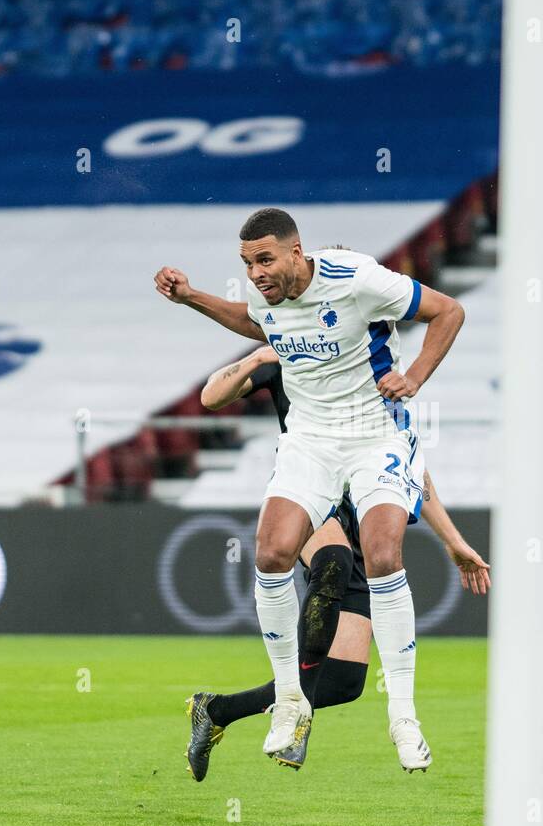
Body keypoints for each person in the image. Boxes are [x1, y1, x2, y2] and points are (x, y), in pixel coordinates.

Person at [154, 208, 465, 771]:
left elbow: (449, 310)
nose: (255, 273)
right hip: (311, 442)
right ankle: (289, 703)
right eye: (247, 263)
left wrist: (415, 375)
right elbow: (254, 324)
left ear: (299, 251)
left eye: (265, 259)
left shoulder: (357, 280)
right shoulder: (269, 306)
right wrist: (192, 297)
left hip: (374, 435)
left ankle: (403, 716)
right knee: (271, 552)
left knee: (380, 561)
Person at [183, 344, 490, 779]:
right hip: (306, 495)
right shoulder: (294, 348)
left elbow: (411, 467)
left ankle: (215, 710)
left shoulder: (378, 370)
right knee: (333, 559)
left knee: (344, 681)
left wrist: (454, 542)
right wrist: (257, 357)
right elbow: (211, 397)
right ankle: (296, 716)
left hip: (365, 510)